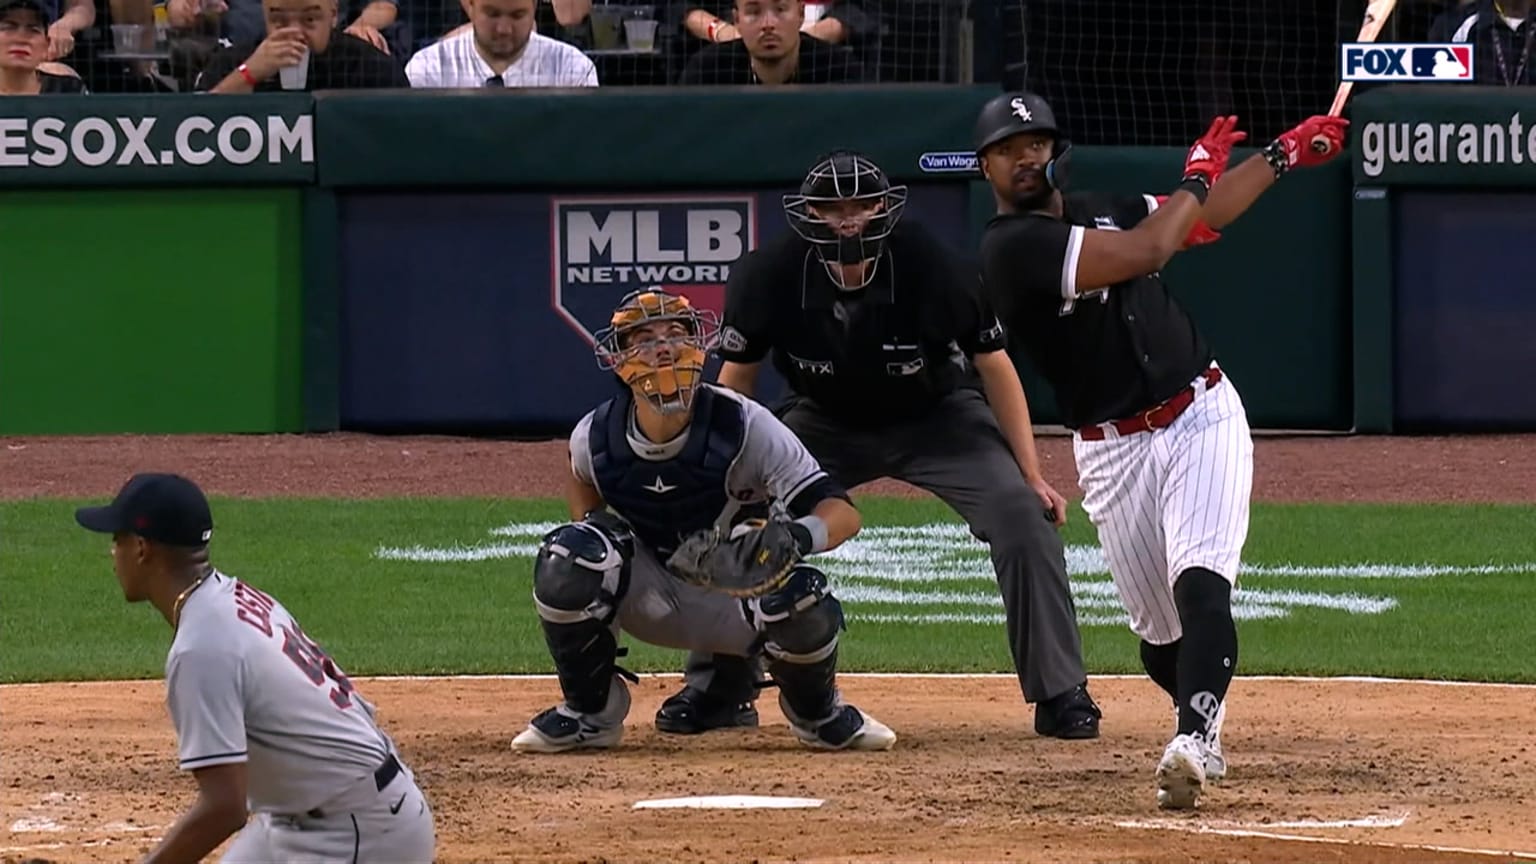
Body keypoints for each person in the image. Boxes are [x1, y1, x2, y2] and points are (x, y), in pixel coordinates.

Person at [972, 91, 1348, 808]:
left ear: (1056, 151)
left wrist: (1286, 151)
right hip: (1110, 450)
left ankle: (1195, 738)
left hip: (1199, 412)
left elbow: (1199, 222)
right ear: (986, 166)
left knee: (1201, 584)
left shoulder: (1104, 204)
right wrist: (1197, 175)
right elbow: (1150, 248)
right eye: (1006, 150)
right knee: (1158, 641)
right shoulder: (1010, 249)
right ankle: (1202, 708)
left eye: (1036, 143)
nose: (1025, 157)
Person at [651, 150, 1103, 743]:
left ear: (882, 210)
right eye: (831, 208)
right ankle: (720, 685)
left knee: (1023, 515)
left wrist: (1032, 473)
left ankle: (1060, 690)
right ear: (806, 214)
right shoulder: (768, 273)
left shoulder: (935, 266)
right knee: (734, 515)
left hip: (940, 416)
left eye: (859, 205)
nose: (846, 221)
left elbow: (995, 366)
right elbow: (737, 381)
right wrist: (725, 474)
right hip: (824, 418)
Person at [511, 288, 897, 754]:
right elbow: (579, 477)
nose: (664, 347)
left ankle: (819, 715)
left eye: (676, 333)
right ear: (618, 359)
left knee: (802, 600)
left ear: (699, 345)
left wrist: (795, 536)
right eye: (644, 338)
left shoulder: (745, 424)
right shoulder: (595, 434)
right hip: (648, 596)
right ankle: (590, 716)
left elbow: (841, 513)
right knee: (569, 554)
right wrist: (595, 522)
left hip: (735, 596)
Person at [74, 472, 436, 862]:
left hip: (358, 833)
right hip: (302, 816)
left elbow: (225, 809)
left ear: (143, 548)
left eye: (117, 540)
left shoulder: (200, 648)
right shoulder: (234, 596)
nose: (113, 553)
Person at [194, 0, 409, 92]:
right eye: (280, 21)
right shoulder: (231, 64)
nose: (295, 32)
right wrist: (247, 75)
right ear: (265, 14)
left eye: (309, 20)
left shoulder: (371, 67)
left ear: (332, 14)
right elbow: (192, 129)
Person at [404, 0, 598, 88]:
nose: (504, 29)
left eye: (517, 15)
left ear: (534, 7)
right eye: (493, 14)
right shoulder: (427, 69)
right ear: (469, 5)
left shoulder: (573, 69)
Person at [0, 0, 88, 94]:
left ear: (47, 43)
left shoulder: (68, 90)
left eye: (34, 30)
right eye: (8, 27)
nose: (21, 38)